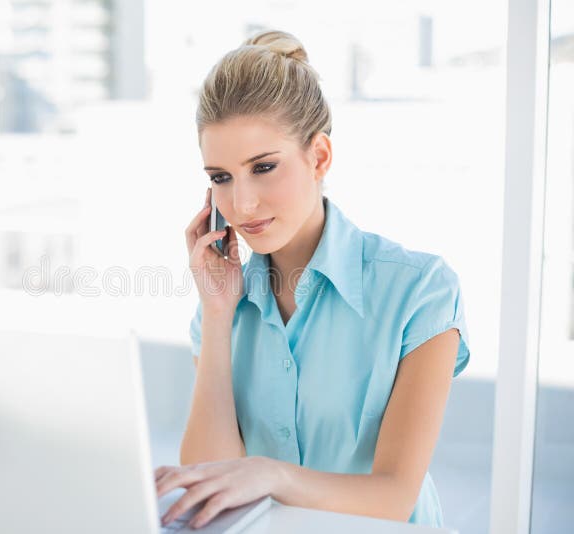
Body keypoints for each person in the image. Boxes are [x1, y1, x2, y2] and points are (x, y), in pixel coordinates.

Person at [154, 29, 471, 530]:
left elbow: (393, 496)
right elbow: (204, 487)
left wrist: (269, 475)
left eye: (263, 167)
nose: (241, 204)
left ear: (319, 156)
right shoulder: (222, 305)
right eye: (221, 177)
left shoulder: (420, 291)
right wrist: (216, 316)